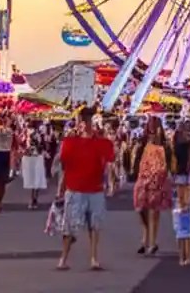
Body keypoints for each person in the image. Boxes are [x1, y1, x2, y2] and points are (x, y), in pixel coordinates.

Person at [56, 107, 115, 271]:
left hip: (94, 189)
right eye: (85, 120)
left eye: (89, 120)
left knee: (94, 226)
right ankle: (64, 258)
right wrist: (61, 188)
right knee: (70, 226)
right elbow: (65, 166)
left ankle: (94, 258)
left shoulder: (101, 142)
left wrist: (110, 183)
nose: (87, 123)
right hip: (75, 188)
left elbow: (109, 164)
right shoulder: (71, 142)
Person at [131, 117, 173, 256]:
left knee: (154, 212)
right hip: (143, 180)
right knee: (141, 209)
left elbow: (167, 164)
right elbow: (137, 158)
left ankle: (151, 242)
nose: (152, 132)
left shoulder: (164, 146)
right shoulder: (143, 143)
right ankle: (146, 237)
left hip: (158, 180)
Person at [21, 124, 50, 209]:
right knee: (32, 178)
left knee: (37, 179)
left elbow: (44, 147)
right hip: (30, 159)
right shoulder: (27, 134)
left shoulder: (41, 135)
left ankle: (34, 199)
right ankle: (32, 198)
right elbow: (24, 146)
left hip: (37, 158)